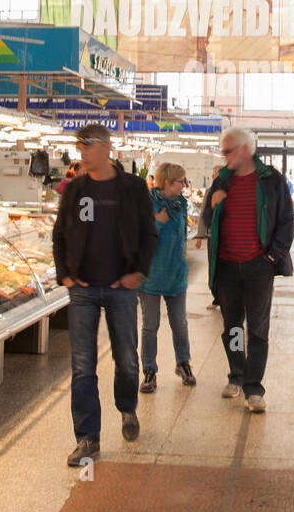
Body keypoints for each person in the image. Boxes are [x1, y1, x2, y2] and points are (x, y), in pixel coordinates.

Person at [53, 124, 157, 467]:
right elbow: (60, 235)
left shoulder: (133, 187)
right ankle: (87, 439)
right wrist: (65, 274)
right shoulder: (75, 188)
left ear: (107, 148)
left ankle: (127, 408)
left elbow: (148, 234)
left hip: (120, 288)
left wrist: (138, 273)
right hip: (82, 290)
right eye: (79, 146)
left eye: (88, 145)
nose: (82, 152)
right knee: (82, 366)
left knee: (127, 359)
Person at [201, 127, 294, 413]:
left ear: (244, 149)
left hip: (258, 266)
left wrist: (272, 256)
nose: (223, 155)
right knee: (232, 326)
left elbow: (287, 221)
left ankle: (254, 388)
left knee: (257, 328)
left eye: (228, 150)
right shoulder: (221, 182)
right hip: (227, 266)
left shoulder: (272, 181)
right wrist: (212, 206)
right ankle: (236, 375)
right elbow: (206, 219)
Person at [139, 162, 194, 393]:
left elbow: (181, 240)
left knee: (179, 324)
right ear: (168, 183)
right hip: (151, 276)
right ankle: (149, 371)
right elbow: (140, 239)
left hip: (176, 276)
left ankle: (183, 363)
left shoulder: (181, 205)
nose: (184, 185)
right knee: (151, 326)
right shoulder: (147, 206)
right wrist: (157, 224)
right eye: (181, 181)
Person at [194, 165, 222, 309]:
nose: (214, 176)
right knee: (213, 266)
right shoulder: (209, 192)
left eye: (217, 173)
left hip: (226, 237)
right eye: (214, 174)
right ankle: (216, 297)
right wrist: (200, 235)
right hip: (212, 236)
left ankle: (225, 297)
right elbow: (204, 213)